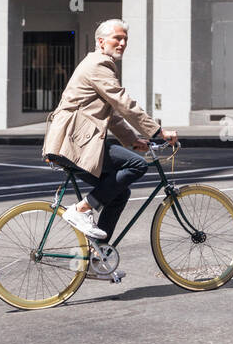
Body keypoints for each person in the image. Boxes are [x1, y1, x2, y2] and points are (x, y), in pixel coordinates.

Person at [41, 18, 177, 243]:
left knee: (119, 193)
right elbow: (123, 103)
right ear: (101, 41)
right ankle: (82, 209)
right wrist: (157, 132)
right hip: (73, 143)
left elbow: (111, 114)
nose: (122, 43)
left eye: (125, 39)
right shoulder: (98, 64)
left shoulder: (98, 64)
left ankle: (98, 254)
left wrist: (132, 140)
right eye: (117, 38)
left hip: (72, 141)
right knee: (137, 165)